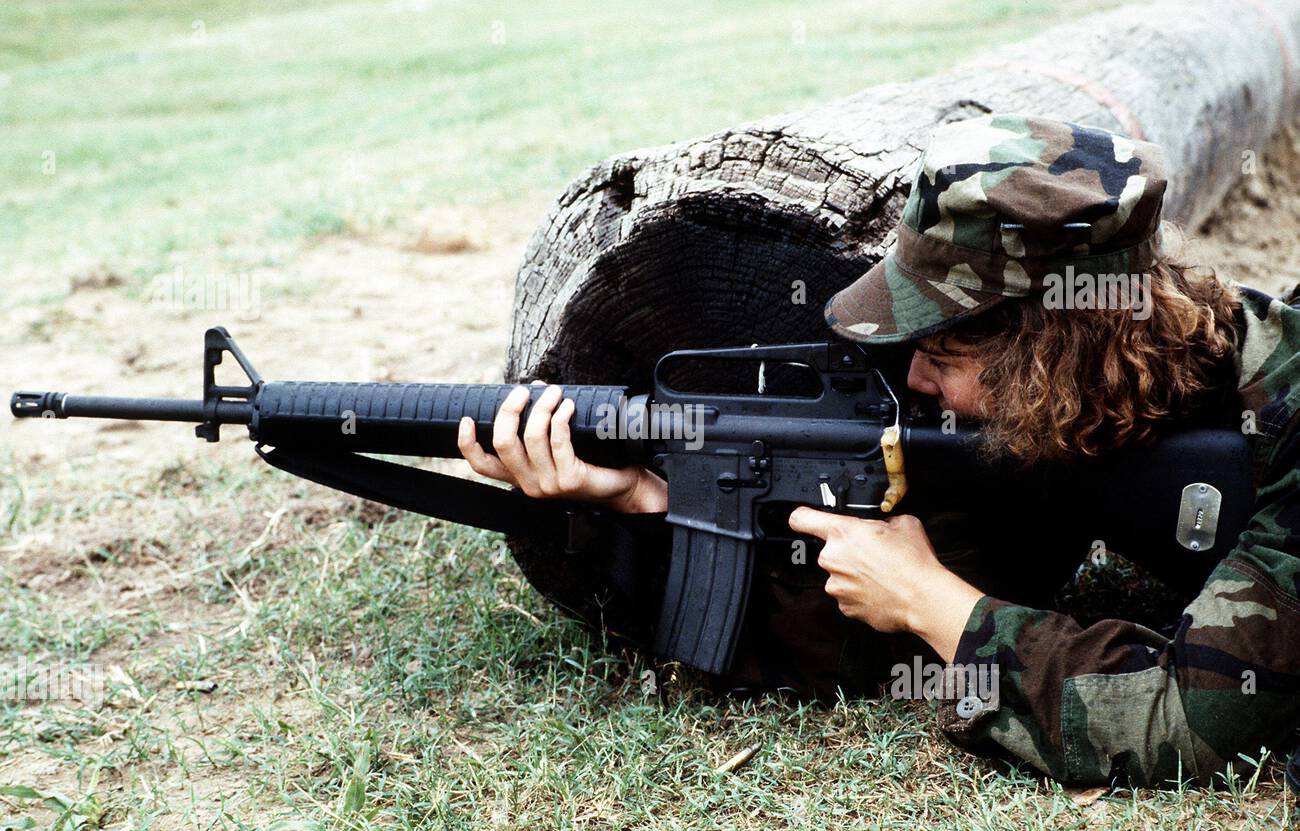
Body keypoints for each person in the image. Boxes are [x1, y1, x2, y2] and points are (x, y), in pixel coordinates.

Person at [458, 113, 1300, 790]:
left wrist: (933, 600)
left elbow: (1185, 726)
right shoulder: (1078, 425)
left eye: (941, 355)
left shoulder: (1285, 429)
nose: (919, 382)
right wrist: (643, 499)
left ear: (1053, 355)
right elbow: (855, 649)